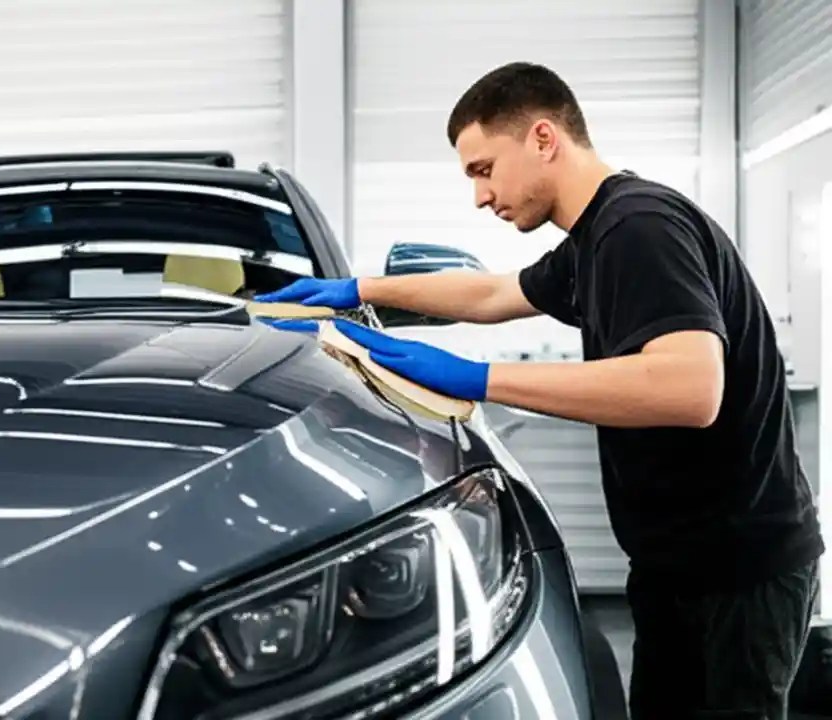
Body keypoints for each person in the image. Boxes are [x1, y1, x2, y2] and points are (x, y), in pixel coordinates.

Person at [257, 61, 823, 719]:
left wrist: (478, 380)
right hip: (679, 567)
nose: (479, 196)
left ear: (543, 139)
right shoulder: (594, 239)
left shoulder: (637, 228)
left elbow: (691, 388)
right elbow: (495, 292)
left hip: (740, 573)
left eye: (483, 169)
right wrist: (359, 291)